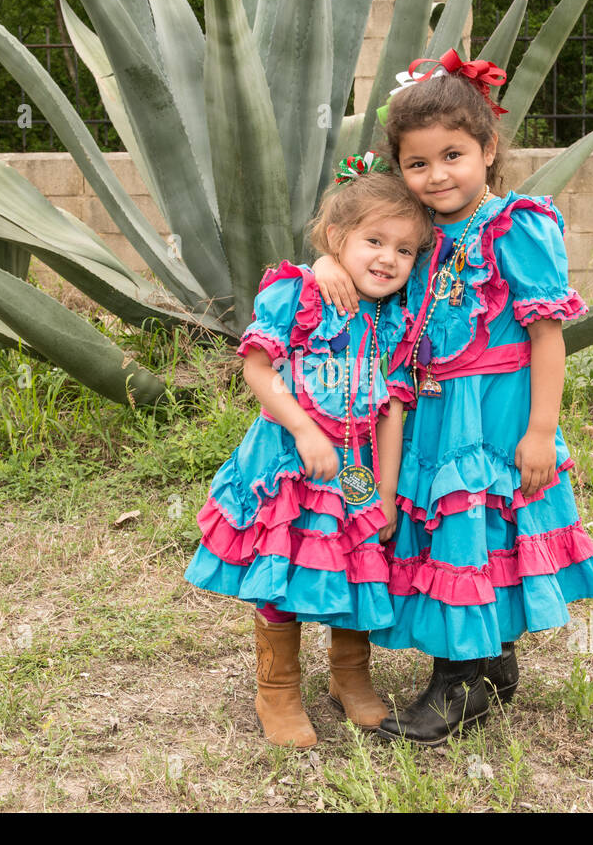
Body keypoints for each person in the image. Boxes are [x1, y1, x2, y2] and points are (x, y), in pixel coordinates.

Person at [313, 50, 593, 745]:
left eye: (453, 155)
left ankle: (460, 681)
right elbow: (359, 243)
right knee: (459, 533)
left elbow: (547, 335)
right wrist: (331, 259)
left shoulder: (517, 225)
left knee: (477, 527)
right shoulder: (415, 231)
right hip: (433, 413)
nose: (437, 174)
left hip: (495, 411)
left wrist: (541, 431)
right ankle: (493, 666)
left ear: (488, 149)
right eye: (418, 164)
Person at [185, 154, 432, 748]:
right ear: (338, 238)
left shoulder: (397, 321)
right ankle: (278, 690)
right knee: (282, 570)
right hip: (292, 466)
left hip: (360, 472)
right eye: (374, 241)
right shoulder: (297, 291)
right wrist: (303, 430)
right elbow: (258, 369)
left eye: (404, 251)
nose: (388, 259)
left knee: (359, 565)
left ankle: (350, 678)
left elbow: (394, 409)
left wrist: (390, 494)